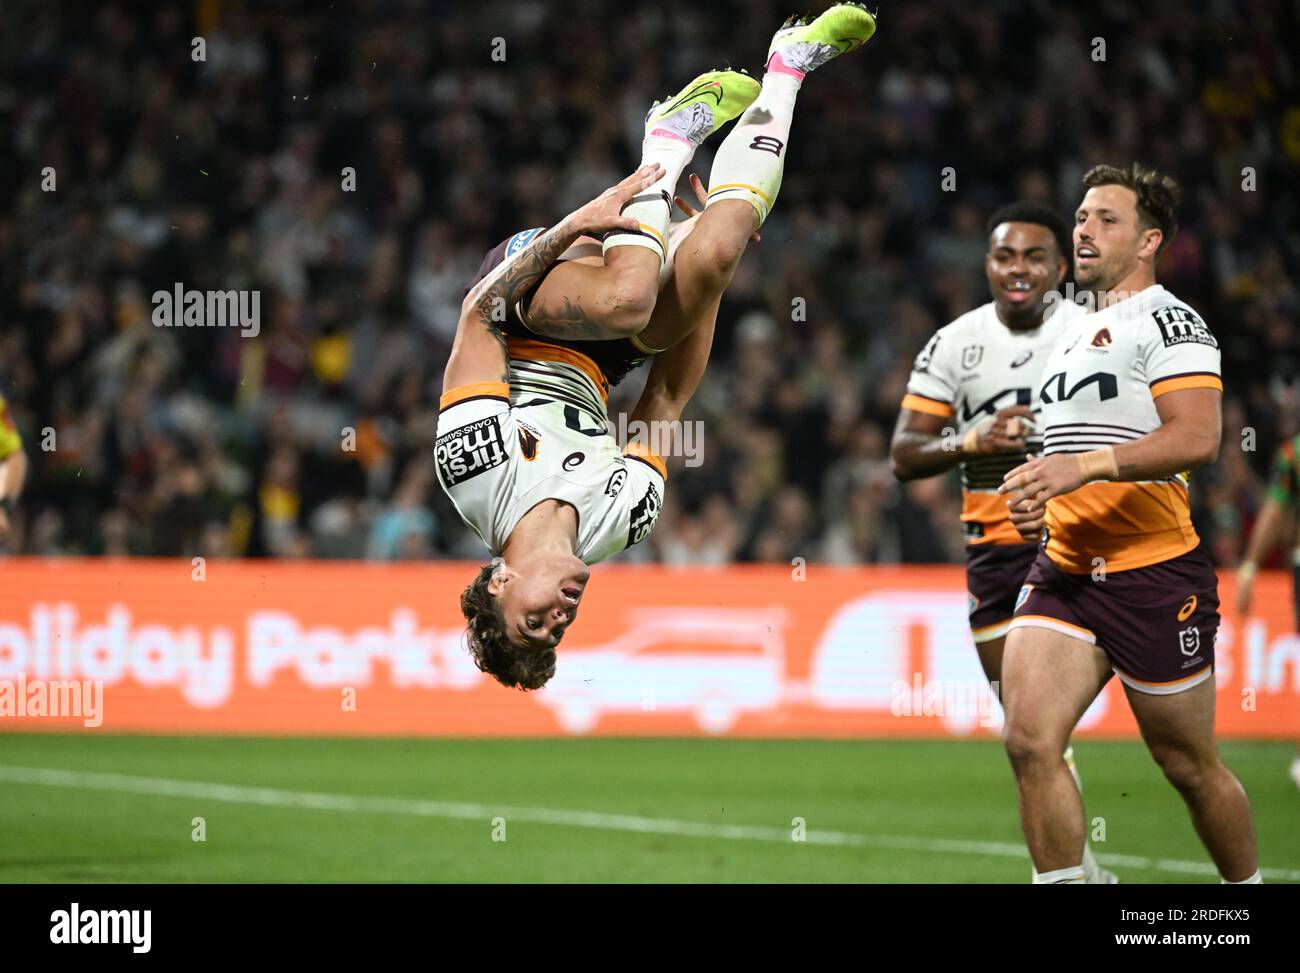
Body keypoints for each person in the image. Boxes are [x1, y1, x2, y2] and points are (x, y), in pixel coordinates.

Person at [435, 4, 878, 690]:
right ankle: (788, 65)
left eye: (534, 622)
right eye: (559, 634)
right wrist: (709, 272)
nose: (559, 619)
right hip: (604, 353)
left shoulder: (475, 475)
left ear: (499, 581)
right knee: (721, 242)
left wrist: (573, 224)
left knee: (631, 296)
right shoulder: (625, 519)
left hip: (522, 301)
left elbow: (475, 318)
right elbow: (668, 395)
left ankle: (666, 143)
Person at [998, 162, 1260, 883]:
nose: (1083, 229)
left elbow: (1197, 438)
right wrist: (1037, 494)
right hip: (1066, 567)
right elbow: (1065, 453)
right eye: (1081, 216)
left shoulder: (1171, 320)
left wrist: (1079, 471)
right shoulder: (1072, 328)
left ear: (1148, 241)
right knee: (1027, 739)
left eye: (1105, 219)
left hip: (1152, 570)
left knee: (1188, 766)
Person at [892, 201, 1115, 882]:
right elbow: (904, 453)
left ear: (1059, 266)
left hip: (1094, 547)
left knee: (1170, 740)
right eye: (1004, 257)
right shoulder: (956, 342)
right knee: (1029, 733)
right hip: (997, 552)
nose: (1018, 270)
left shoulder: (1099, 332)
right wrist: (973, 438)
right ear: (988, 264)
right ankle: (1080, 873)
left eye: (1034, 257)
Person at [1235, 427, 1300, 790]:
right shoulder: (1293, 454)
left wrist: (1248, 568)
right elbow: (1275, 510)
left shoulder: (1294, 453)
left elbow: (1276, 510)